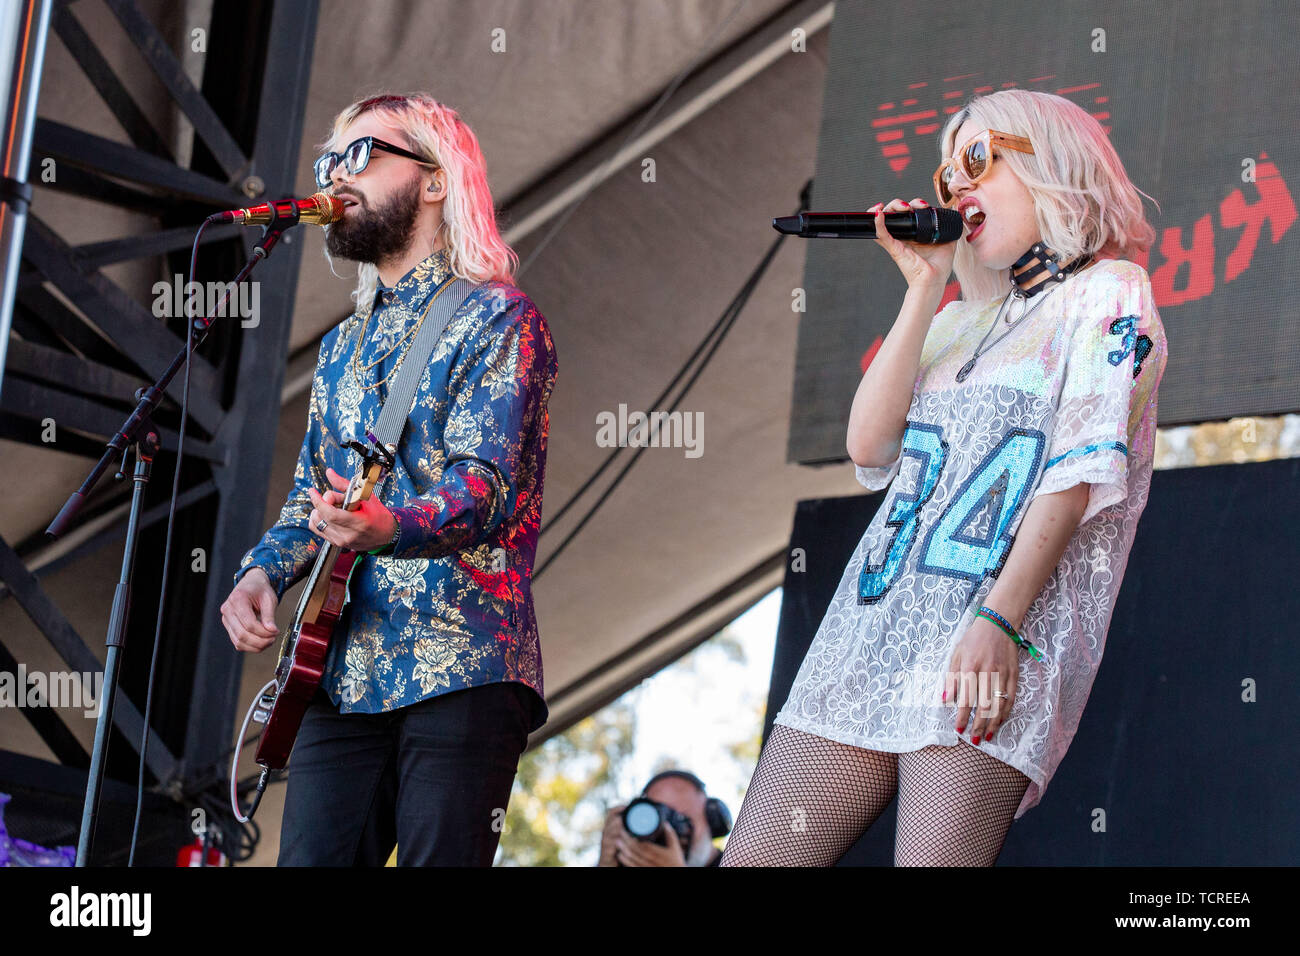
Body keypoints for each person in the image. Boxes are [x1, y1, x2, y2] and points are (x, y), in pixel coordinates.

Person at [720, 89, 1167, 866]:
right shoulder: (958, 321)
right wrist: (924, 287)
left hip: (985, 635)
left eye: (978, 160)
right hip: (866, 638)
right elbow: (870, 442)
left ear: (1051, 165)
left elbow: (1076, 474)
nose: (956, 187)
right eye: (946, 173)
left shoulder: (1108, 295)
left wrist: (999, 623)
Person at [219, 92, 558, 866]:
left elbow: (488, 486)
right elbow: (314, 492)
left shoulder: (500, 319)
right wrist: (259, 573)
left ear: (436, 180)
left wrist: (391, 527)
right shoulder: (340, 349)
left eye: (362, 154)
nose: (338, 175)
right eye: (327, 161)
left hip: (463, 662)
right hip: (340, 668)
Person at [597, 770, 730, 867]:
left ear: (713, 821)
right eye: (660, 820)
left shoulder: (739, 861)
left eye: (681, 818)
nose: (669, 831)